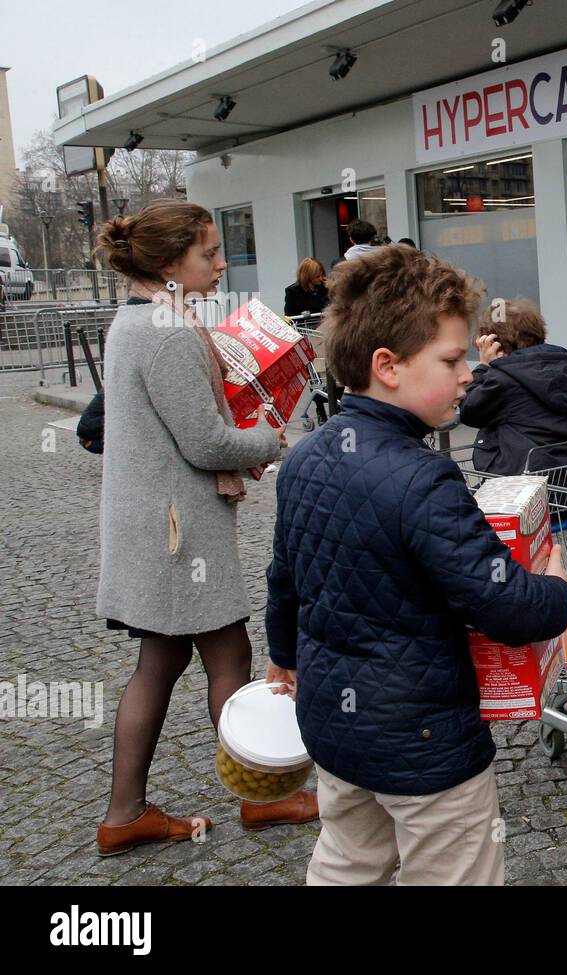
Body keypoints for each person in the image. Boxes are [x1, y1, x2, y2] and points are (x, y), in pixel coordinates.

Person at [263, 246, 567, 885]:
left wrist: (284, 656)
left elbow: (284, 578)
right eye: (453, 360)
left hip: (336, 725)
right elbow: (504, 605)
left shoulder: (305, 457)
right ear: (388, 366)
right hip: (424, 742)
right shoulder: (424, 478)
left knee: (347, 863)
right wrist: (560, 590)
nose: (468, 376)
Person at [93, 200, 317, 857]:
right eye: (208, 253)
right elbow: (205, 441)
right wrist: (269, 439)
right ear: (169, 264)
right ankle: (260, 796)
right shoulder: (165, 328)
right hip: (177, 532)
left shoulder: (146, 317)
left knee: (159, 660)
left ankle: (124, 812)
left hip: (158, 527)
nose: (222, 264)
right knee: (228, 654)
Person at [459, 299, 567, 498]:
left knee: (458, 503)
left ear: (493, 344)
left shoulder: (503, 379)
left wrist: (484, 366)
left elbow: (469, 410)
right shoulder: (564, 368)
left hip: (520, 493)